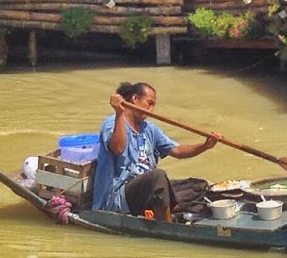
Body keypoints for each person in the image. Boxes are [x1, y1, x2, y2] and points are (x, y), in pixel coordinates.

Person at [92, 81, 220, 216]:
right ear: (135, 99)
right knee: (158, 176)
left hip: (148, 190)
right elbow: (117, 148)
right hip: (120, 196)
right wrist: (119, 114)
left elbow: (177, 150)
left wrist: (205, 146)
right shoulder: (112, 123)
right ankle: (167, 224)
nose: (151, 109)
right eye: (149, 103)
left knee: (198, 186)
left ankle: (159, 207)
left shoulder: (149, 129)